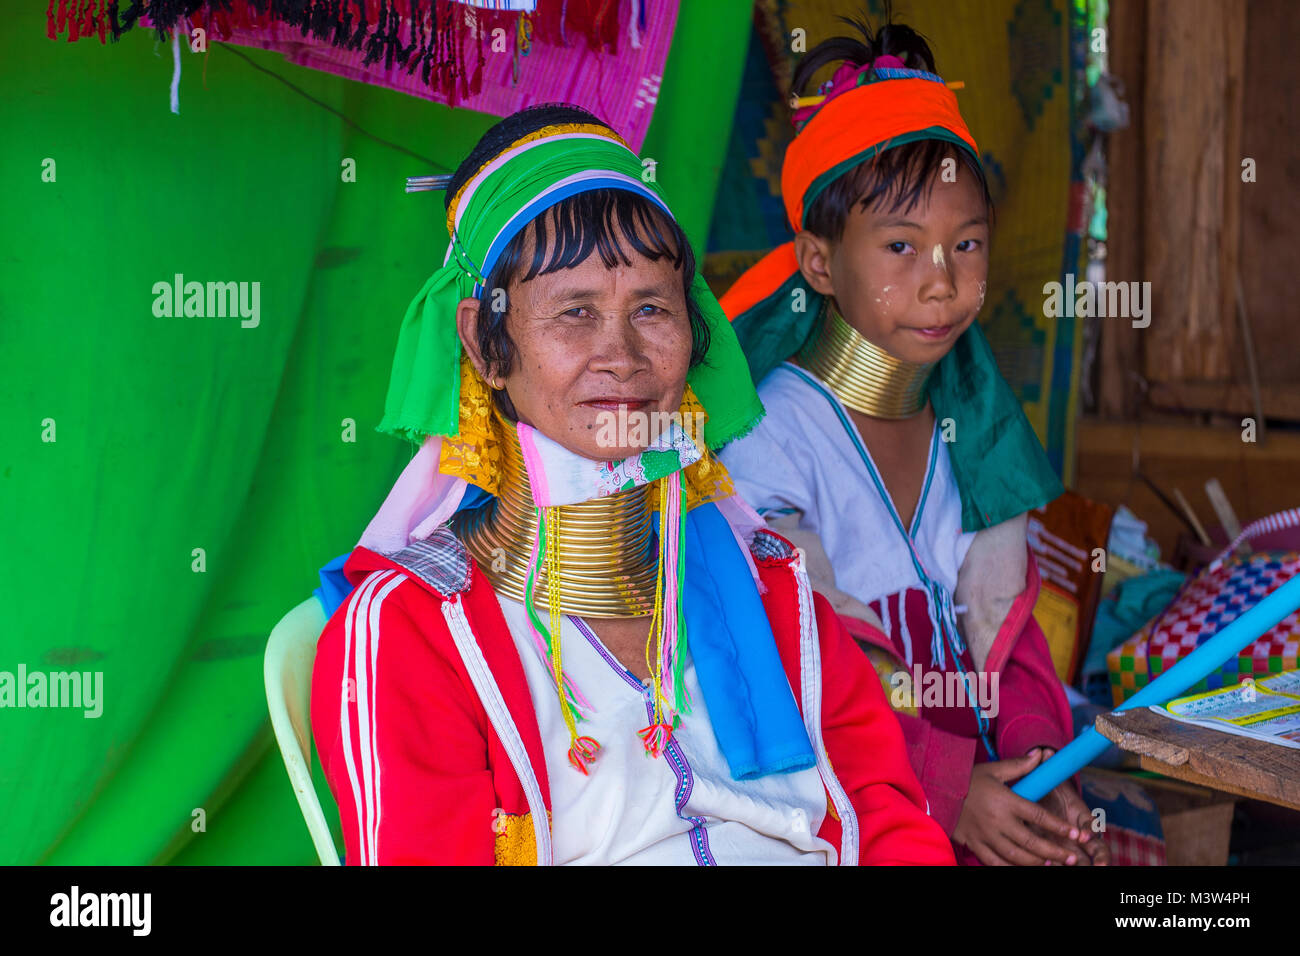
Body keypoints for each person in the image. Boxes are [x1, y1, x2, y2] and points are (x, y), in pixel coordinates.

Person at [309, 103, 955, 866]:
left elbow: (886, 821)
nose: (621, 355)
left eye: (651, 308)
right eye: (574, 312)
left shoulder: (772, 592)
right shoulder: (411, 633)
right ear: (485, 345)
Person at [717, 13, 1109, 867]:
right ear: (819, 264)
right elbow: (798, 663)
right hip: (846, 815)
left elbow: (1010, 633)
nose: (942, 281)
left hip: (977, 799)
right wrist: (951, 788)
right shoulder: (766, 441)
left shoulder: (967, 428)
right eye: (901, 246)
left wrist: (1041, 762)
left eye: (966, 244)